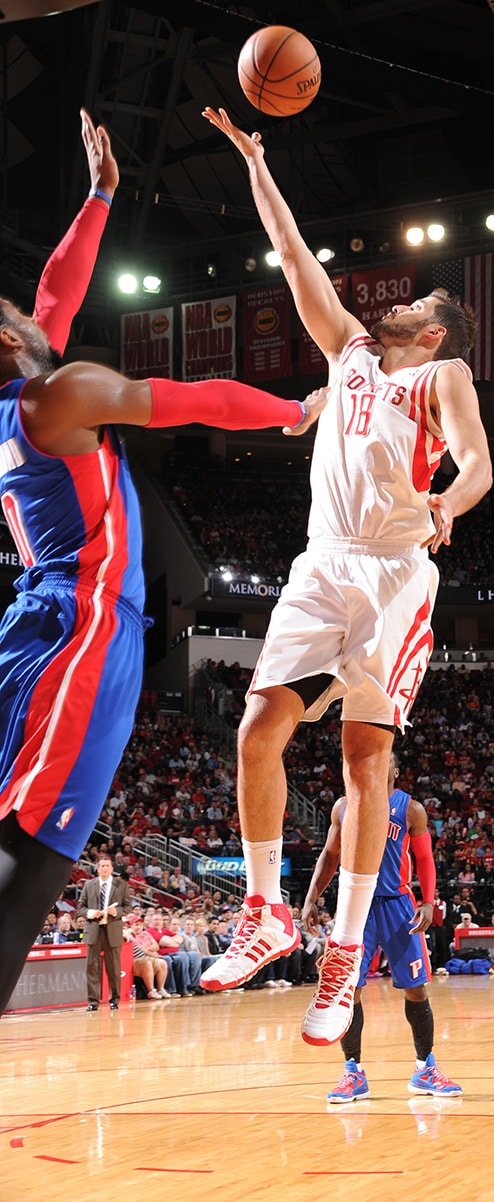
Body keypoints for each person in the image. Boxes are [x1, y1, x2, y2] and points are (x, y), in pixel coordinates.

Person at [0, 162, 326, 1017]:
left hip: (29, 627)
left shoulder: (21, 404)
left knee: (16, 826)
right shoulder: (58, 395)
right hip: (82, 624)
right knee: (30, 850)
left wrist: (100, 195)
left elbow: (53, 293)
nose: (32, 312)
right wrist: (290, 414)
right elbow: (193, 401)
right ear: (10, 345)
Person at [198, 106, 493, 1050]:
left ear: (441, 333)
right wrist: (254, 163)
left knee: (366, 760)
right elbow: (292, 256)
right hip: (323, 563)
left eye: (421, 306)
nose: (401, 303)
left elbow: (480, 461)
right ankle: (265, 911)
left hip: (397, 576)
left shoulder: (442, 380)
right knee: (256, 730)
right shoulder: (348, 352)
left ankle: (345, 951)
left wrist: (452, 500)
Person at [302, 755, 461, 1100]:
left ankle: (425, 1069)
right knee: (350, 991)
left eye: (385, 760)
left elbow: (425, 859)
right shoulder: (344, 807)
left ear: (396, 771)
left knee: (416, 989)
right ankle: (352, 1073)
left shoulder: (410, 810)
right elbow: (330, 856)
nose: (375, 764)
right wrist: (312, 897)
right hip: (354, 907)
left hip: (396, 904)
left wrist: (429, 900)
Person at [76, 852, 133, 1010]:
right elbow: (80, 908)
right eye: (102, 866)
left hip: (112, 930)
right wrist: (91, 913)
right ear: (98, 869)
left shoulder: (121, 886)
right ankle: (92, 1002)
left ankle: (114, 999)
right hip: (94, 931)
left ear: (112, 868)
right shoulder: (89, 885)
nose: (105, 868)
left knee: (114, 969)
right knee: (91, 967)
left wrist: (116, 912)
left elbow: (128, 907)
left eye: (108, 866)